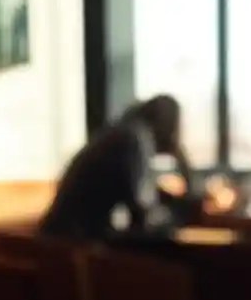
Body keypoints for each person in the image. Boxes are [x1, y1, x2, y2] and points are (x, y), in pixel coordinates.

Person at [40, 95, 192, 241]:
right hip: (75, 246)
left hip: (64, 238)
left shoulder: (123, 133)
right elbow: (144, 212)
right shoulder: (136, 139)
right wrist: (180, 211)